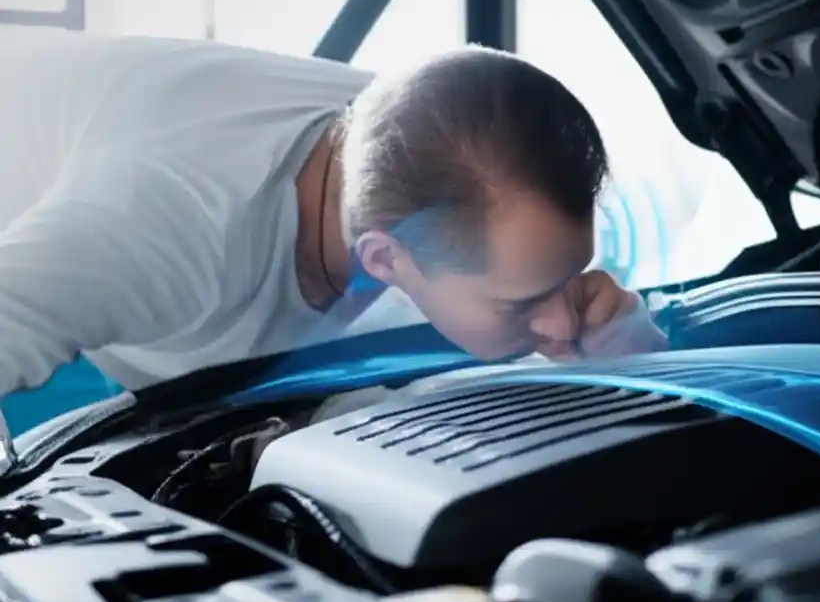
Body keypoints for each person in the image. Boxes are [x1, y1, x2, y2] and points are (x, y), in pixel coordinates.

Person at [0, 31, 668, 418]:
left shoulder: (431, 137)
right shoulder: (165, 228)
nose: (559, 319)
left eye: (569, 275)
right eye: (522, 301)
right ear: (382, 260)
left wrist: (626, 347)